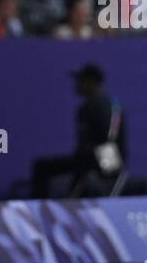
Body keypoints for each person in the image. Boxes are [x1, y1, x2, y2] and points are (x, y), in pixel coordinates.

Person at [31, 64, 126, 198]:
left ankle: (43, 210)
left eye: (80, 81)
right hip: (114, 163)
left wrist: (100, 161)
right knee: (81, 164)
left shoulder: (89, 107)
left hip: (101, 163)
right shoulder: (113, 103)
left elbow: (97, 144)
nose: (76, 85)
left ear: (91, 82)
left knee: (42, 167)